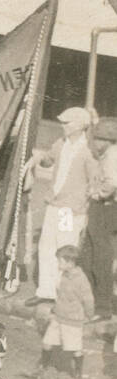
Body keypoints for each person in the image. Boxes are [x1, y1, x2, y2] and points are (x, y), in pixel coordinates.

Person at [27, 107, 98, 305]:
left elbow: (95, 179)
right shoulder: (60, 143)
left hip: (69, 209)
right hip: (54, 204)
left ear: (79, 126)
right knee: (46, 246)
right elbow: (48, 160)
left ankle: (61, 295)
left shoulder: (87, 151)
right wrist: (37, 158)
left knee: (64, 249)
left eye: (67, 123)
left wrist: (86, 199)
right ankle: (46, 292)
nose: (63, 126)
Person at [27, 244, 93, 379]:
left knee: (75, 348)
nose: (58, 263)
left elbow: (88, 299)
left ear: (70, 262)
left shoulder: (81, 279)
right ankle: (41, 370)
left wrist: (89, 315)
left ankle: (77, 377)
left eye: (60, 261)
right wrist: (54, 310)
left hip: (72, 320)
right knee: (47, 342)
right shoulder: (64, 275)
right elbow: (60, 295)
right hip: (58, 317)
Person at [81, 118, 117, 320]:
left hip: (106, 208)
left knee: (100, 255)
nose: (94, 143)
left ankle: (102, 306)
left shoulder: (112, 156)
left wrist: (98, 194)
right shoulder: (108, 154)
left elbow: (112, 183)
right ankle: (94, 301)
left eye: (97, 139)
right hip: (106, 208)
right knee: (91, 253)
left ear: (107, 140)